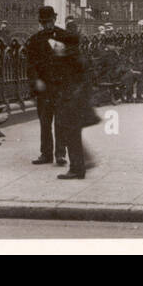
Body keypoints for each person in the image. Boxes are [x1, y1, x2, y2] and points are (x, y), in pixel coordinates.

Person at [25, 5, 69, 167]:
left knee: (60, 121)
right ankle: (46, 153)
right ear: (40, 22)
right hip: (44, 87)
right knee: (45, 122)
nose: (47, 25)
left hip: (60, 85)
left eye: (49, 21)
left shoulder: (64, 36)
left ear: (55, 19)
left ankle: (60, 154)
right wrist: (35, 81)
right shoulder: (35, 40)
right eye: (44, 22)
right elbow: (30, 65)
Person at [51, 29, 97, 180]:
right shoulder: (74, 57)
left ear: (66, 45)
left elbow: (71, 82)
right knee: (72, 134)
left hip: (73, 103)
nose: (56, 46)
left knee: (71, 135)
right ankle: (81, 165)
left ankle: (77, 168)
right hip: (76, 102)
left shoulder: (71, 59)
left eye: (59, 43)